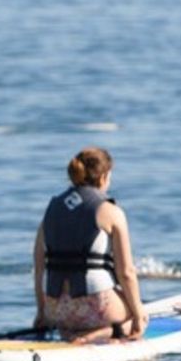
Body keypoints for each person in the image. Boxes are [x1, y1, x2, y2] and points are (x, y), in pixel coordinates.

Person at [33, 147, 148, 344]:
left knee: (72, 315)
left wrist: (42, 312)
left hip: (56, 310)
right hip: (96, 307)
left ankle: (69, 333)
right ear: (103, 177)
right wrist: (138, 313)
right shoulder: (111, 211)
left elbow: (39, 268)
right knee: (137, 312)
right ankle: (99, 334)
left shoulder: (52, 209)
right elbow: (126, 272)